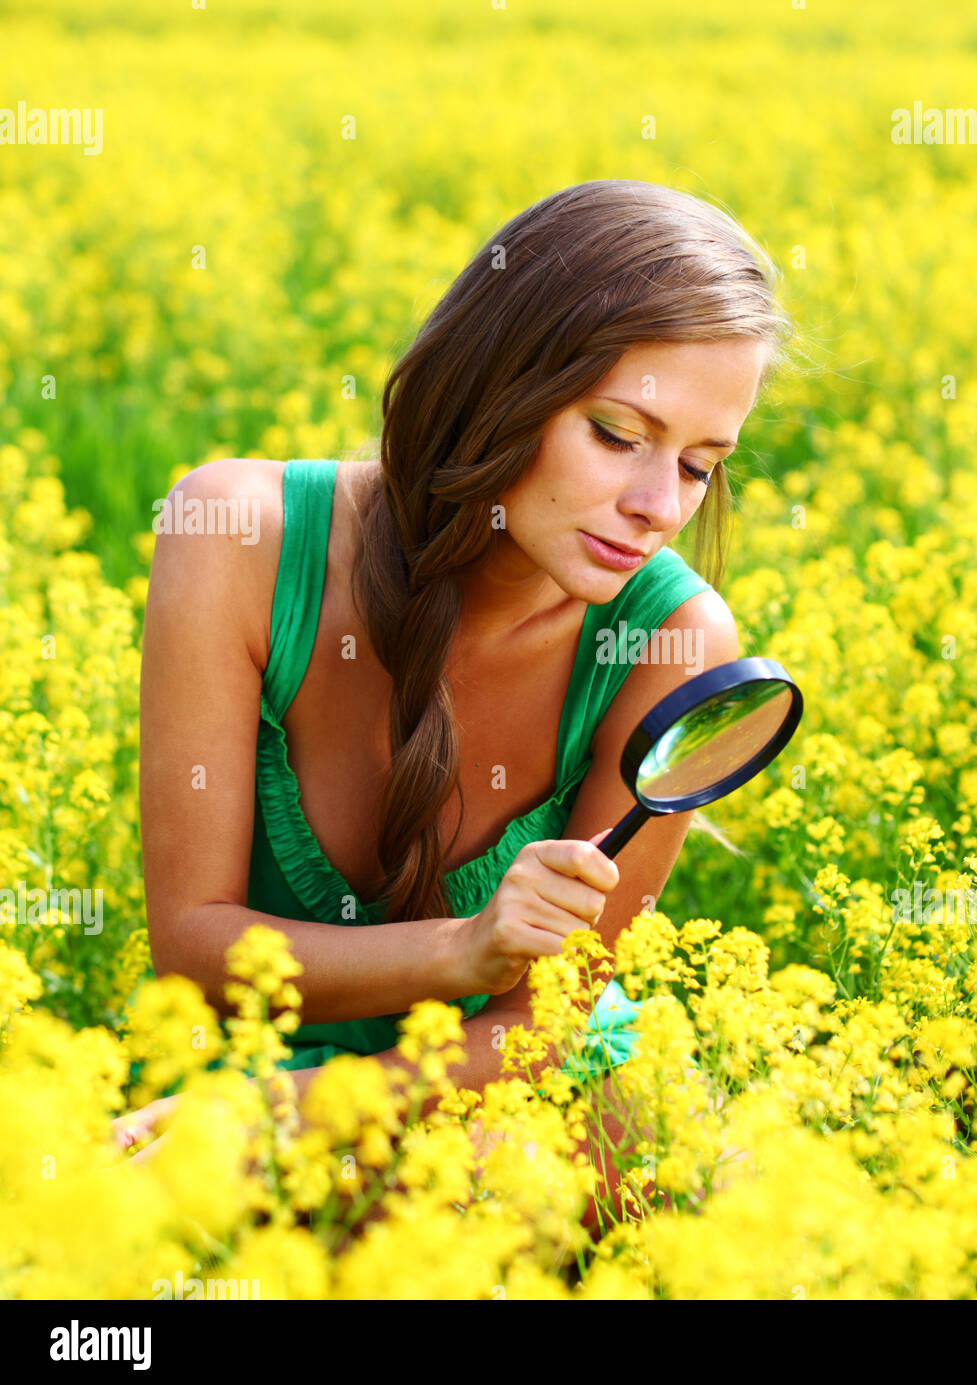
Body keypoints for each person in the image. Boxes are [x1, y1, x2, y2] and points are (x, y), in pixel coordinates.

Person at [117, 178, 792, 1234]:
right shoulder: (236, 535)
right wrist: (461, 948)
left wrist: (296, 1112)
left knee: (466, 1200)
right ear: (496, 386)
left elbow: (543, 1020)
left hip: (509, 1091)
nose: (659, 505)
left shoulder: (674, 639)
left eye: (702, 466)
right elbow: (195, 954)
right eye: (617, 434)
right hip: (243, 1071)